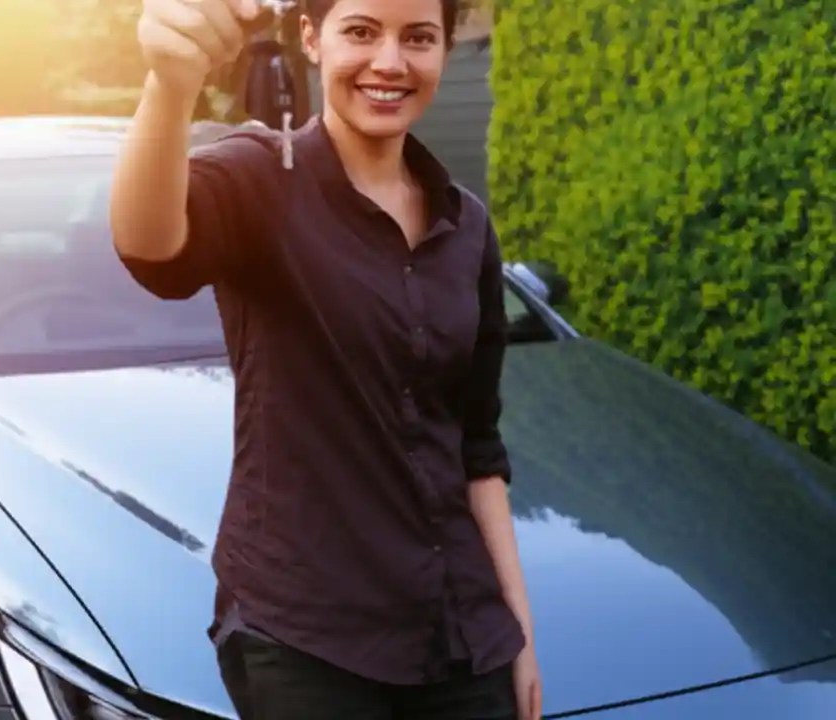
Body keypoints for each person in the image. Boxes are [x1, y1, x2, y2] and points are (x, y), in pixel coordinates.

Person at [110, 0, 542, 718]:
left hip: (459, 633)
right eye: (362, 31)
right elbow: (151, 244)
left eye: (419, 37)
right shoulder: (258, 179)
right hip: (310, 643)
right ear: (311, 39)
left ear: (444, 49)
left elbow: (476, 446)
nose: (390, 62)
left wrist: (518, 628)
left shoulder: (466, 225)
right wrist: (169, 85)